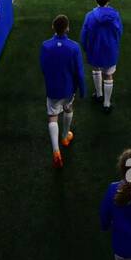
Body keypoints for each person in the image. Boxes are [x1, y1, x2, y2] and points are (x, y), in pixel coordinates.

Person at [39, 14, 84, 168]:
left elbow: (43, 68)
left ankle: (56, 151)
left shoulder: (45, 46)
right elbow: (79, 71)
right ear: (68, 28)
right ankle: (65, 137)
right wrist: (82, 90)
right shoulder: (74, 47)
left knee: (52, 117)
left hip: (52, 87)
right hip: (68, 88)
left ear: (53, 27)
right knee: (68, 108)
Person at [80, 0, 122, 113]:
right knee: (108, 75)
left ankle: (99, 94)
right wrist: (115, 45)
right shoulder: (115, 15)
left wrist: (86, 47)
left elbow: (84, 34)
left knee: (96, 69)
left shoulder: (89, 16)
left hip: (94, 49)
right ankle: (107, 103)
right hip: (110, 49)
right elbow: (119, 32)